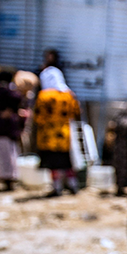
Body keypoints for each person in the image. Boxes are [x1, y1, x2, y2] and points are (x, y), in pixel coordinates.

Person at [35, 50, 81, 196]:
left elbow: (39, 117)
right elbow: (76, 112)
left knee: (53, 163)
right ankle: (73, 186)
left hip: (48, 136)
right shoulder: (69, 95)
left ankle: (57, 188)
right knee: (67, 161)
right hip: (65, 133)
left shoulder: (44, 96)